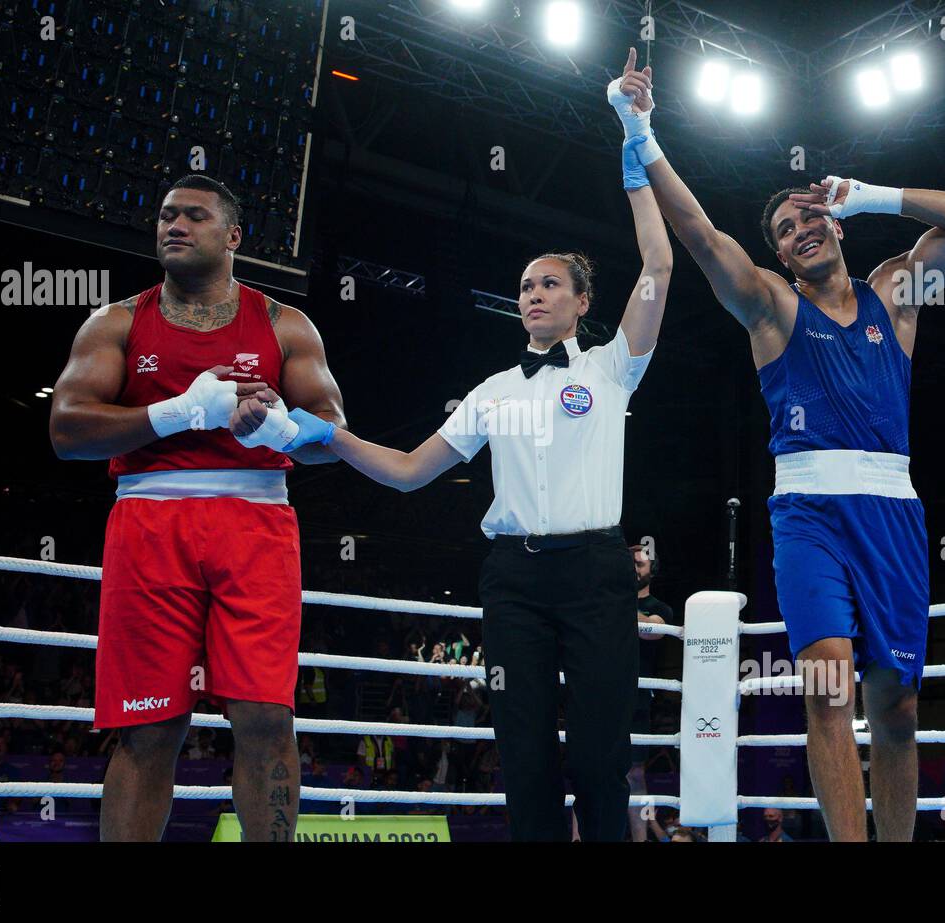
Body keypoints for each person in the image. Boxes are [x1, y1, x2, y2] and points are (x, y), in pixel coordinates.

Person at [610, 50, 945, 841]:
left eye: (811, 216)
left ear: (835, 220)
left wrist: (877, 194)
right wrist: (640, 127)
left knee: (898, 705)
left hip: (893, 511)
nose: (800, 231)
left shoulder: (899, 289)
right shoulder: (771, 307)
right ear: (781, 254)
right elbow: (700, 234)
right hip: (809, 514)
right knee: (827, 689)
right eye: (786, 230)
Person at [275, 135, 672, 840]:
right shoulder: (489, 392)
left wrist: (636, 160)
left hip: (597, 574)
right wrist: (329, 436)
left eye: (550, 283)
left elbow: (660, 264)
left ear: (582, 302)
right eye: (525, 286)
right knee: (522, 754)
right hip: (513, 579)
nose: (534, 294)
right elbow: (406, 471)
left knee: (598, 753)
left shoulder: (612, 370)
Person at [49, 173, 346, 842]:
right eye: (165, 216)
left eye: (193, 216)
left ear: (233, 235)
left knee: (266, 719)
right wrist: (177, 411)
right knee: (149, 725)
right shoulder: (117, 320)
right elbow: (66, 430)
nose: (173, 226)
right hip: (150, 524)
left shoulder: (283, 324)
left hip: (257, 525)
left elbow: (333, 432)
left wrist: (278, 430)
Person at [628, 541, 672, 841]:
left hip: (637, 699)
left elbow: (652, 631)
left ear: (651, 570)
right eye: (629, 563)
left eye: (639, 564)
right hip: (599, 693)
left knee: (634, 774)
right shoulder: (606, 600)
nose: (633, 568)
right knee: (588, 768)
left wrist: (618, 609)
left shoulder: (659, 609)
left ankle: (641, 839)